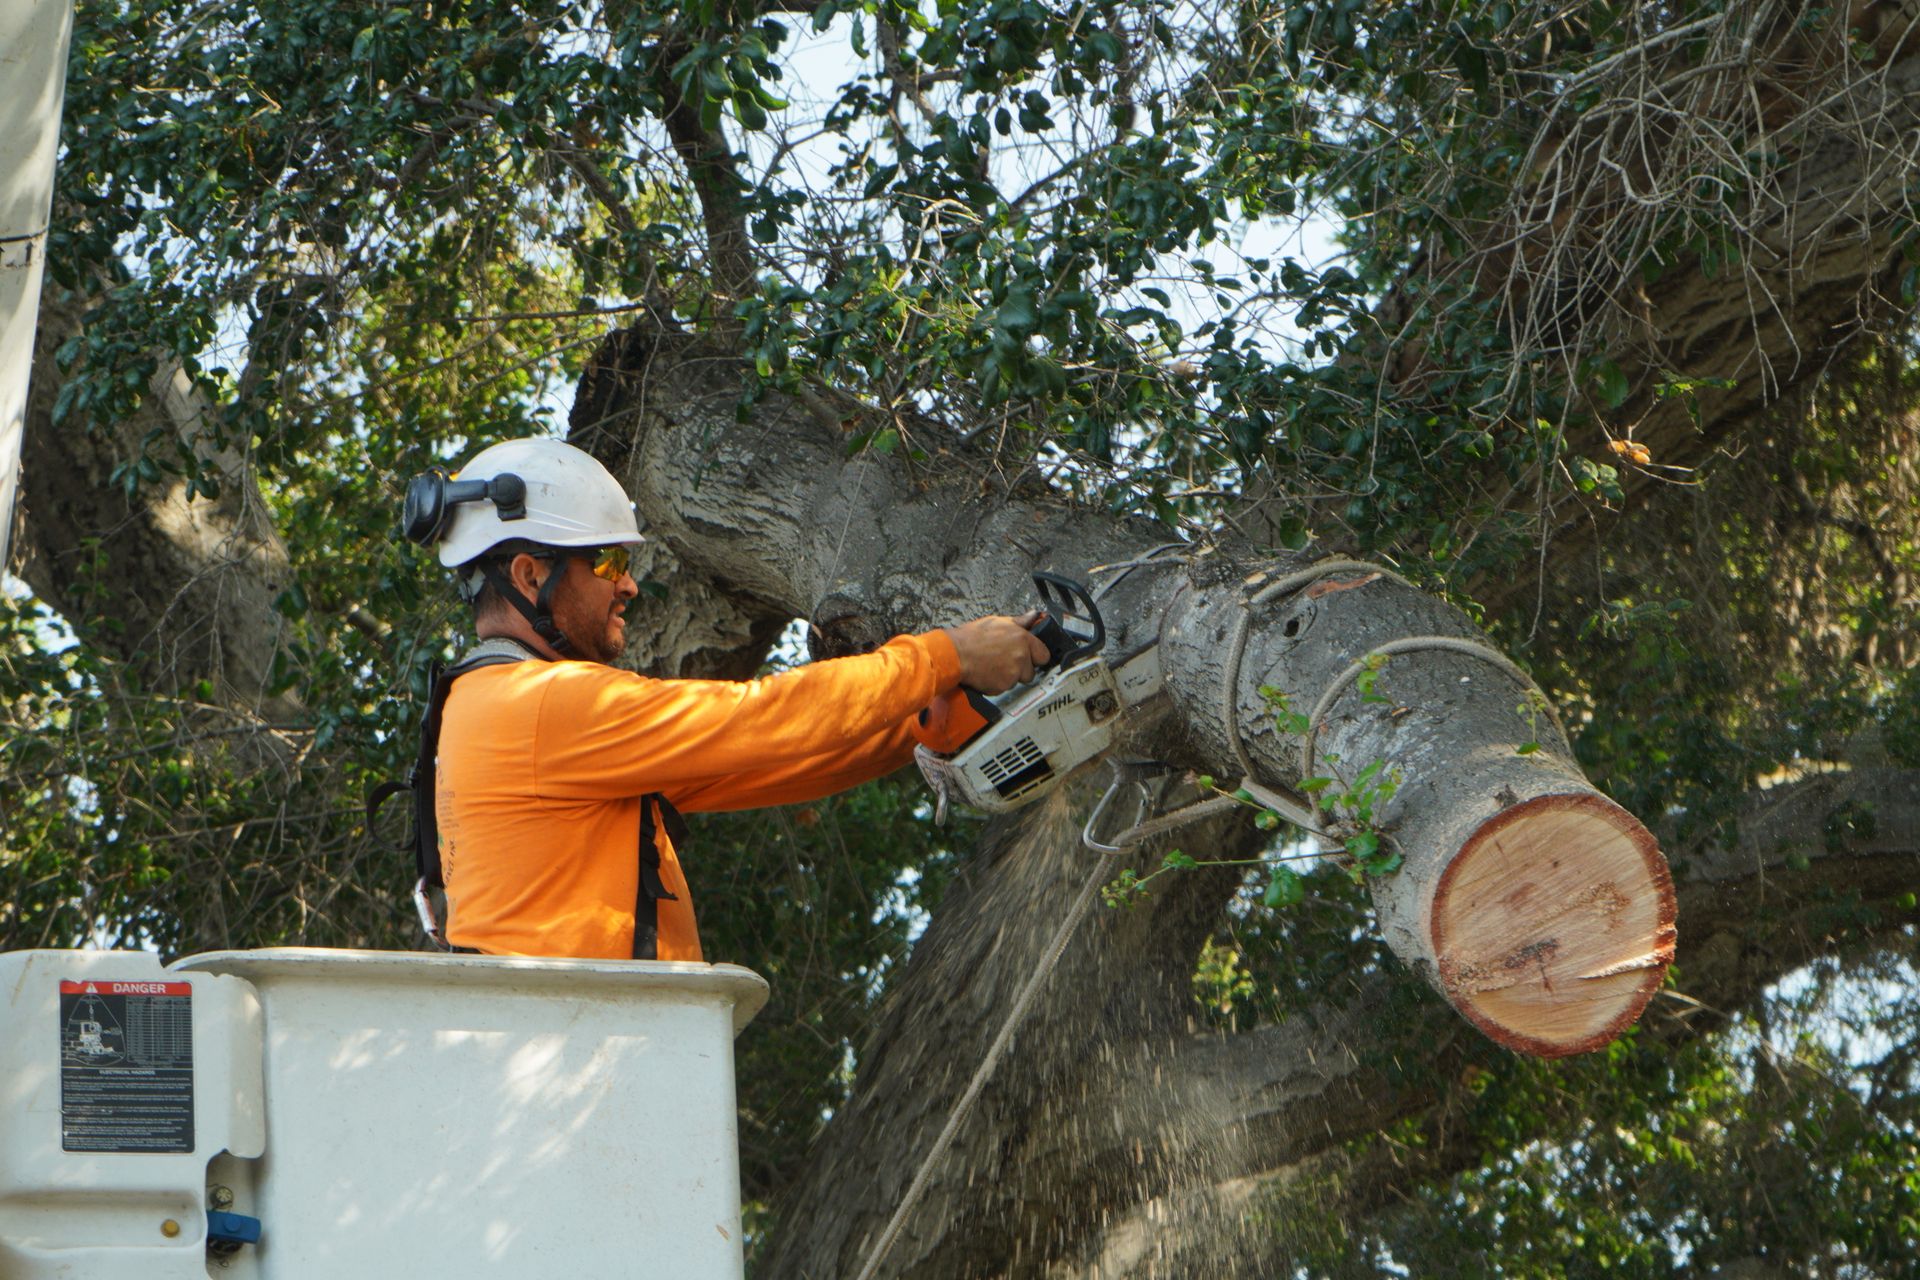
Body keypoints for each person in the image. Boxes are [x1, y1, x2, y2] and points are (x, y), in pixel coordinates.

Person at [403, 437, 1047, 961]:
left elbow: (764, 763)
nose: (627, 585)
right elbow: (763, 719)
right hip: (589, 1063)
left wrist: (920, 723)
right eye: (602, 563)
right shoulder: (542, 705)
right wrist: (947, 655)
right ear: (529, 575)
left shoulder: (494, 708)